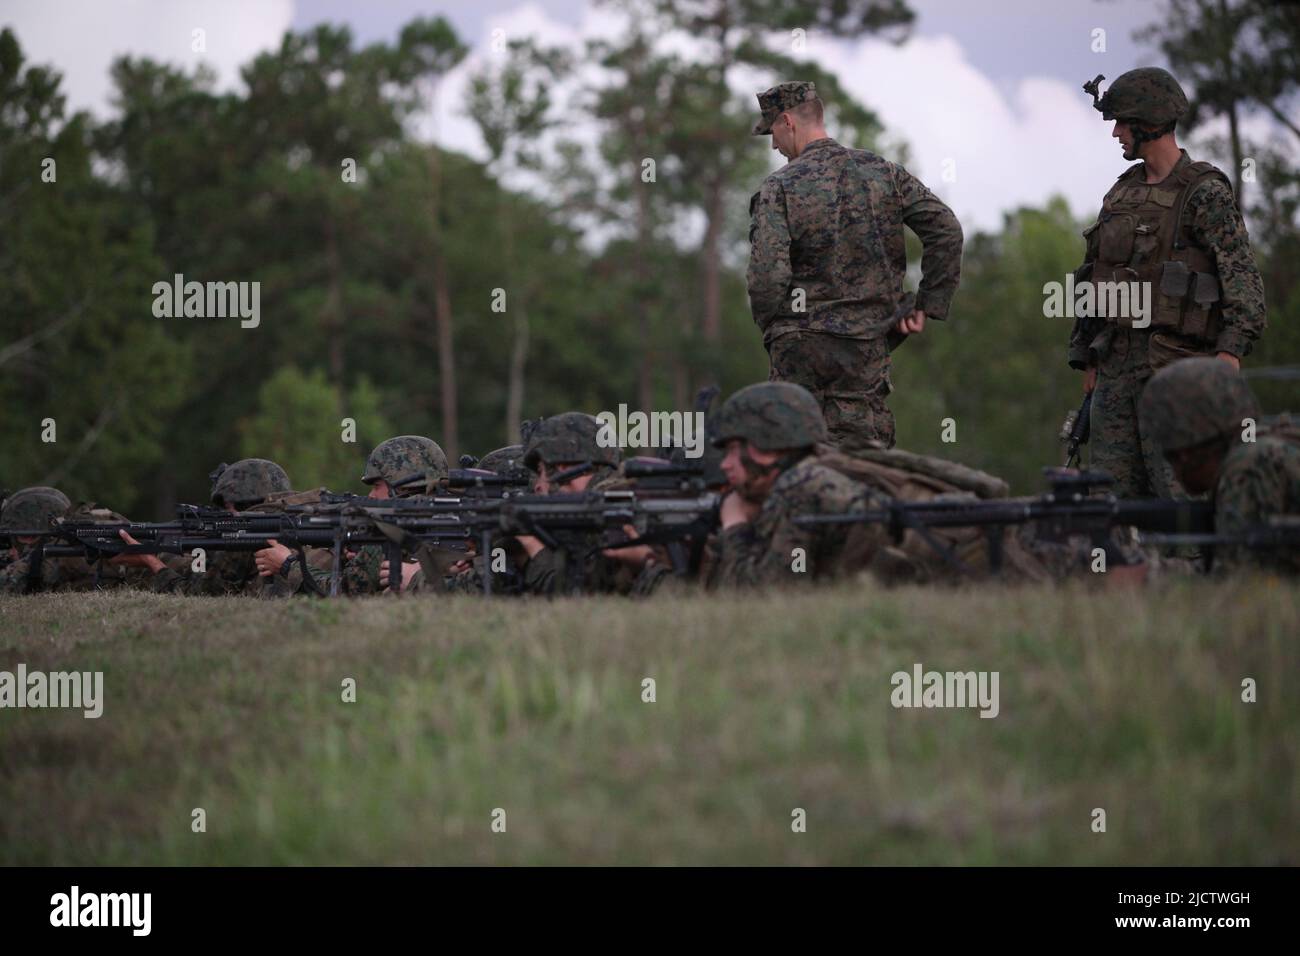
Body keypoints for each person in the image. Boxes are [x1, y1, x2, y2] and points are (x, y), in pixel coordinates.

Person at [1070, 68, 1266, 498]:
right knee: (1110, 502)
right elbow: (1093, 275)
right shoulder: (1121, 194)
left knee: (1183, 497)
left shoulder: (1204, 192)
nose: (1116, 132)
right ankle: (1121, 567)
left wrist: (1228, 355)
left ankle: (1195, 567)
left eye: (1122, 122)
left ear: (1150, 123)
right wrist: (1087, 356)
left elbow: (1243, 283)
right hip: (1116, 369)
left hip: (1179, 372)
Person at [747, 80, 963, 452]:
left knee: (794, 452)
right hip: (867, 344)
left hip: (800, 346)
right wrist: (926, 304)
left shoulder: (778, 187)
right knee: (865, 456)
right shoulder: (885, 174)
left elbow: (768, 278)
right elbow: (946, 230)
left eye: (772, 132)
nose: (773, 144)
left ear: (788, 121)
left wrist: (775, 326)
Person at [1139, 357, 1298, 575]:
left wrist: (1145, 575)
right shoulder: (1272, 446)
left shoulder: (1248, 467)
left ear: (1185, 452)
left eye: (1171, 454)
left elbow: (1237, 583)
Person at [713, 382, 880, 586]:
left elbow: (774, 592)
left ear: (766, 447)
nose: (725, 464)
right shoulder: (819, 474)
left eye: (733, 450)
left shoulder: (799, 489)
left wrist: (734, 524)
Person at [111, 458, 325, 596]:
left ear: (236, 503)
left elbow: (197, 595)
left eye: (226, 507)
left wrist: (151, 562)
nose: (225, 513)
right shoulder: (300, 511)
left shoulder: (247, 527)